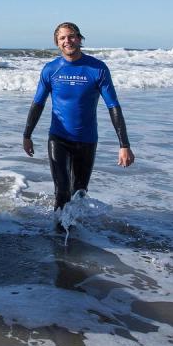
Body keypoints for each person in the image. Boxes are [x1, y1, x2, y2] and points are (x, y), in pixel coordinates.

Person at [22, 22, 135, 230]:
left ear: (80, 39)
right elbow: (38, 103)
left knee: (79, 192)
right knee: (62, 189)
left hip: (87, 140)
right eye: (63, 38)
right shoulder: (51, 69)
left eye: (72, 36)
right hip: (58, 138)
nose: (68, 41)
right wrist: (27, 135)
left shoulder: (97, 69)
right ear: (57, 43)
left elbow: (113, 106)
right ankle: (58, 234)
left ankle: (72, 231)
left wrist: (124, 145)